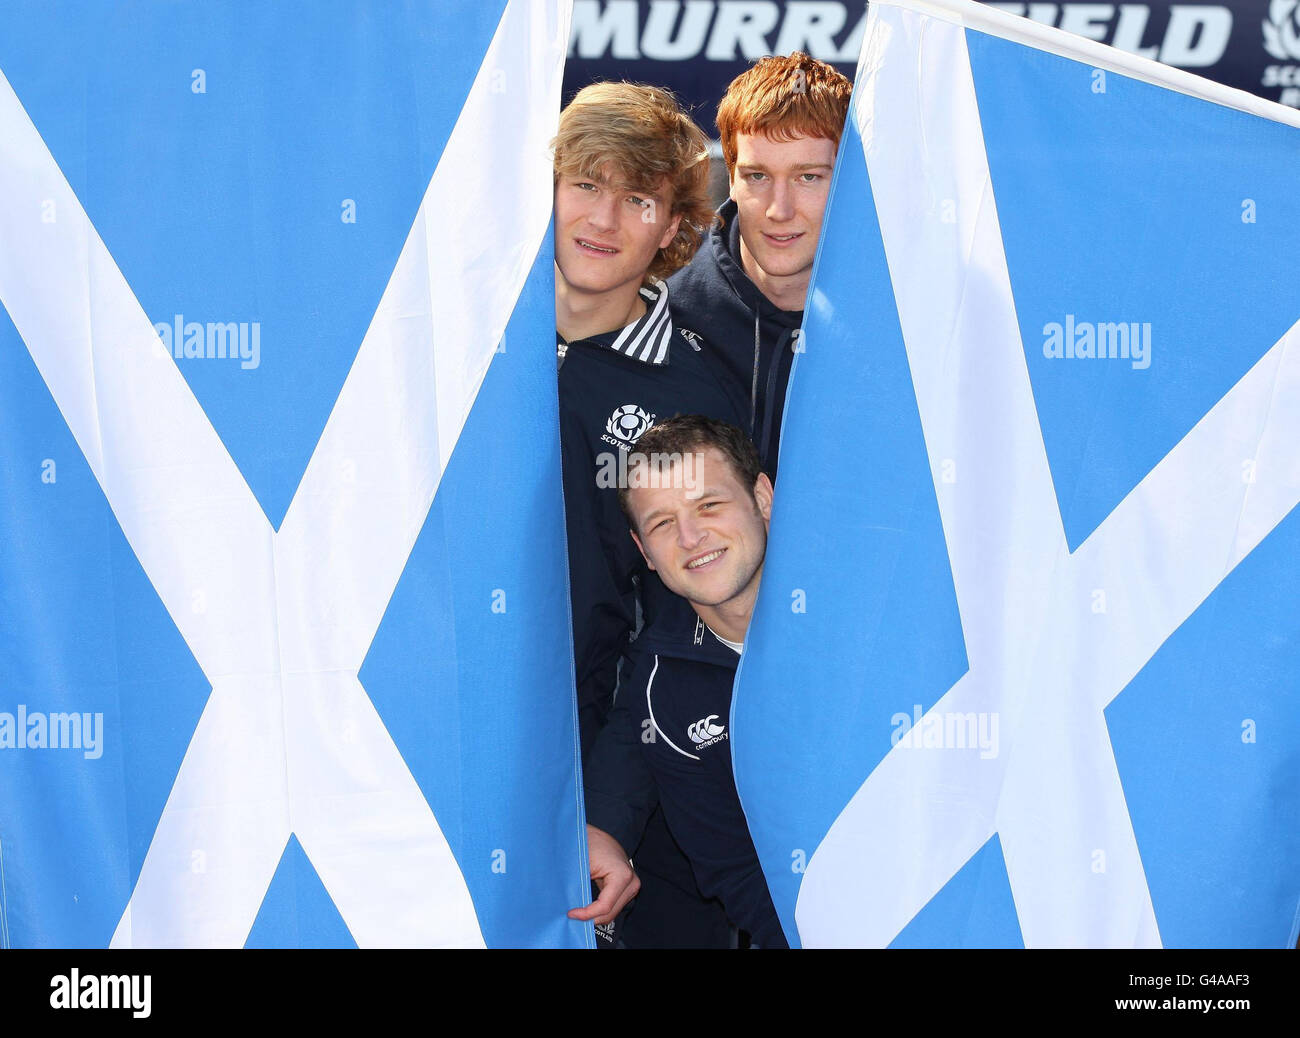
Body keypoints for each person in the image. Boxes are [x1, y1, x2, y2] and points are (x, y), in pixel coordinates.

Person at [553, 82, 750, 947]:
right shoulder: (453, 330)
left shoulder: (689, 388)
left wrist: (609, 808)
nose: (603, 218)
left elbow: (681, 618)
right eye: (584, 184)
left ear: (673, 228)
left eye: (637, 198)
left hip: (601, 766)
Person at [573, 415, 787, 947]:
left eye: (708, 505)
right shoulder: (663, 695)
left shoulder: (866, 608)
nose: (692, 537)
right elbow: (736, 871)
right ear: (643, 551)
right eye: (663, 524)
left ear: (763, 497)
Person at [669, 52, 853, 477]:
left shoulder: (902, 318)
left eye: (808, 177)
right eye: (757, 176)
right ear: (730, 177)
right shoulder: (662, 304)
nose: (779, 210)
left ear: (849, 181)